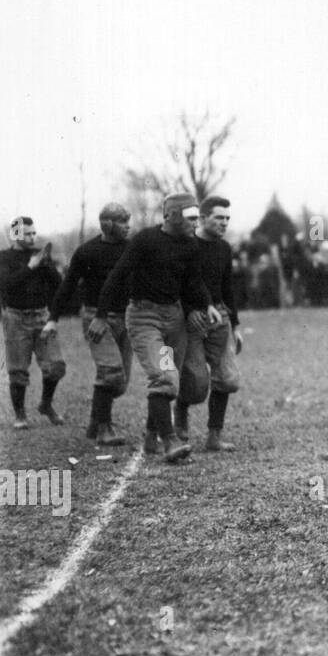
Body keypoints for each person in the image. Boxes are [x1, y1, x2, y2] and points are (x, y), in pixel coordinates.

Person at [94, 193, 220, 464]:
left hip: (173, 320)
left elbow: (193, 282)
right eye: (190, 218)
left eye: (197, 217)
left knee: (176, 377)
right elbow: (117, 276)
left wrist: (205, 305)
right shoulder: (145, 241)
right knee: (164, 377)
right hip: (145, 318)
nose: (195, 223)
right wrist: (101, 315)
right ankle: (170, 440)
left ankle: (152, 432)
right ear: (171, 215)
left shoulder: (190, 245)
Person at [42, 203, 132, 445]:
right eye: (123, 222)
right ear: (107, 224)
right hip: (96, 318)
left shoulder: (132, 248)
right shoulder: (87, 251)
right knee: (110, 372)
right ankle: (104, 429)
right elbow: (67, 286)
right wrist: (52, 319)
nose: (128, 226)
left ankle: (94, 422)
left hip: (127, 318)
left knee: (120, 382)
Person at [175, 196, 244, 451]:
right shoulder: (186, 245)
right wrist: (190, 309)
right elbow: (177, 284)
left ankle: (214, 435)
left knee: (227, 379)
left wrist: (235, 325)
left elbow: (228, 289)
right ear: (203, 218)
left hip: (220, 318)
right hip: (191, 320)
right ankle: (180, 412)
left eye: (227, 218)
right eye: (219, 217)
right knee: (196, 384)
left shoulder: (225, 249)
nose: (224, 223)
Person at [0, 216, 66, 429]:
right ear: (15, 234)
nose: (33, 237)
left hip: (41, 316)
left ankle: (45, 404)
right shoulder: (4, 257)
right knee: (18, 370)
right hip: (16, 318)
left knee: (55, 365)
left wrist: (46, 264)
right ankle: (20, 414)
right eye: (28, 233)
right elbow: (5, 286)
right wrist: (30, 267)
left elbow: (59, 284)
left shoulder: (39, 255)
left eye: (34, 233)